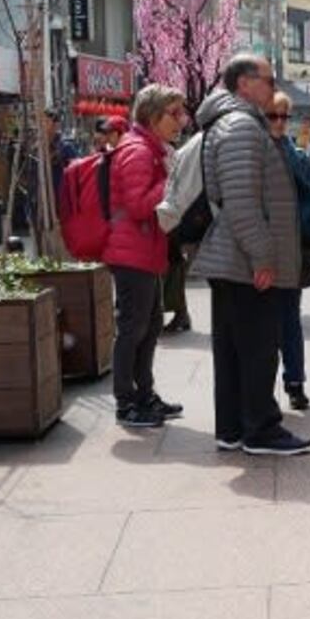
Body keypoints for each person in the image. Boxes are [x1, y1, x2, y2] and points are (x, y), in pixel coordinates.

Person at [196, 54, 310, 456]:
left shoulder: (232, 123)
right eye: (268, 78)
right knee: (258, 349)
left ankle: (232, 428)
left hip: (233, 257)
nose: (273, 85)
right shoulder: (242, 126)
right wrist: (263, 256)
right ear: (245, 83)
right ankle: (261, 429)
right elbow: (243, 200)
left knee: (232, 350)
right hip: (245, 260)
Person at [104, 84, 190, 429]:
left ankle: (144, 394)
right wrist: (172, 178)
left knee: (149, 324)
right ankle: (127, 402)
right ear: (153, 117)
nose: (181, 120)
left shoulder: (151, 148)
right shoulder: (138, 151)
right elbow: (140, 205)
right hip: (131, 253)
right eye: (174, 113)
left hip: (143, 251)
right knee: (133, 328)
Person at [266, 91, 310, 411]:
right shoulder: (254, 151)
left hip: (292, 250)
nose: (279, 122)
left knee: (289, 320)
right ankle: (264, 387)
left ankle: (294, 382)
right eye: (273, 116)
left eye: (284, 116)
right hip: (261, 249)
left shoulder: (297, 156)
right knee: (265, 324)